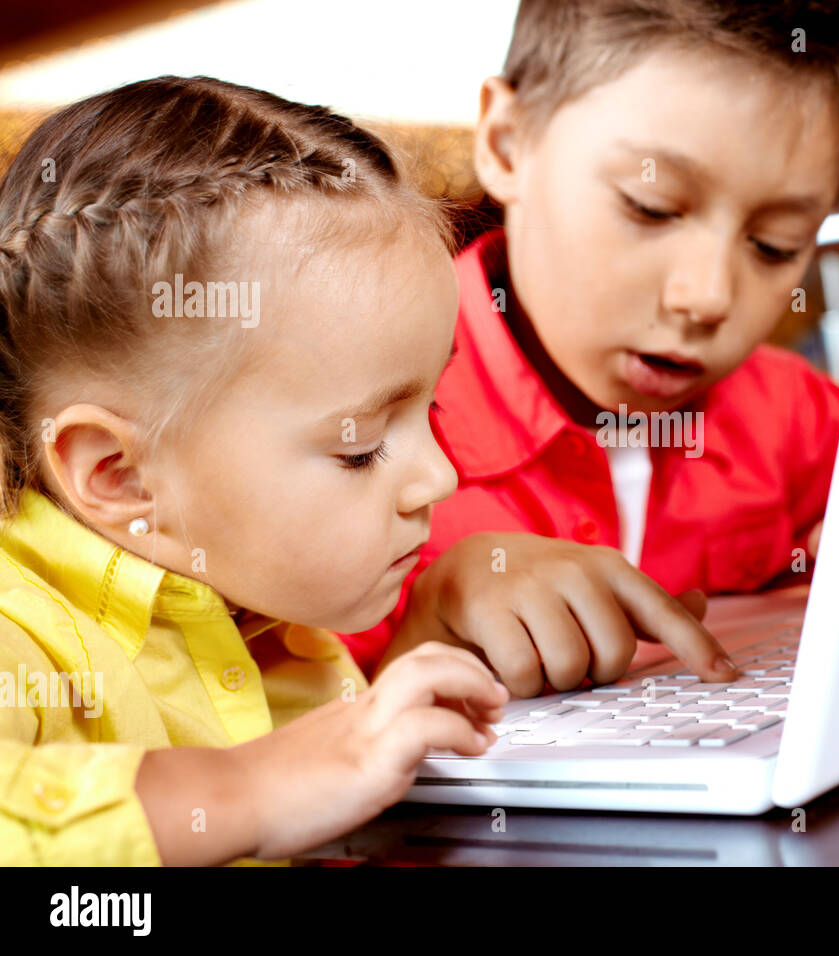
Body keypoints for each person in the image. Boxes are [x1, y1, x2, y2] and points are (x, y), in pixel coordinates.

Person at [0, 76, 514, 865]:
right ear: (121, 478)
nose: (439, 479)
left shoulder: (271, 612)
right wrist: (251, 789)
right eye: (360, 447)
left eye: (433, 411)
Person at [344, 0, 839, 696]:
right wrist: (420, 638)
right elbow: (243, 740)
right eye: (651, 207)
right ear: (506, 142)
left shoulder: (788, 413)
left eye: (775, 246)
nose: (706, 297)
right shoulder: (344, 424)